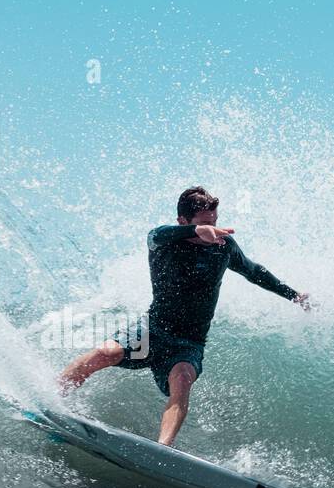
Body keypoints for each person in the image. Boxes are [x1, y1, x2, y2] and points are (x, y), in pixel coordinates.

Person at [58, 187, 310, 447]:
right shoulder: (162, 241)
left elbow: (254, 271)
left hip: (189, 341)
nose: (212, 229)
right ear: (183, 221)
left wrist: (294, 295)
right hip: (152, 330)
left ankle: (162, 448)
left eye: (214, 222)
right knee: (106, 352)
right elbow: (158, 233)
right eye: (204, 224)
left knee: (182, 379)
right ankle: (55, 398)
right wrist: (194, 232)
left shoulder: (223, 246)